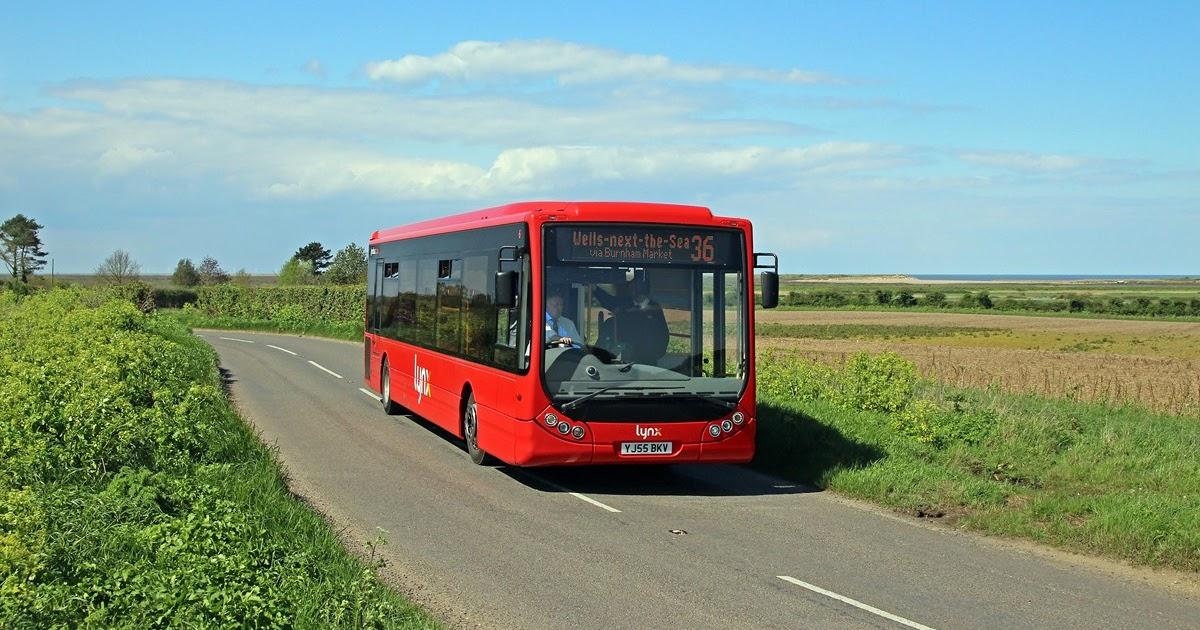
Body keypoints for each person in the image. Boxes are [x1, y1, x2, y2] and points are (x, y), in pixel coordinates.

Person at [595, 279, 668, 364]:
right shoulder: (624, 303)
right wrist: (595, 289)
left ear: (646, 290)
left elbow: (663, 334)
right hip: (627, 357)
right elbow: (607, 300)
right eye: (633, 288)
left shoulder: (655, 309)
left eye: (638, 288)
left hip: (648, 359)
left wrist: (655, 353)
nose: (635, 291)